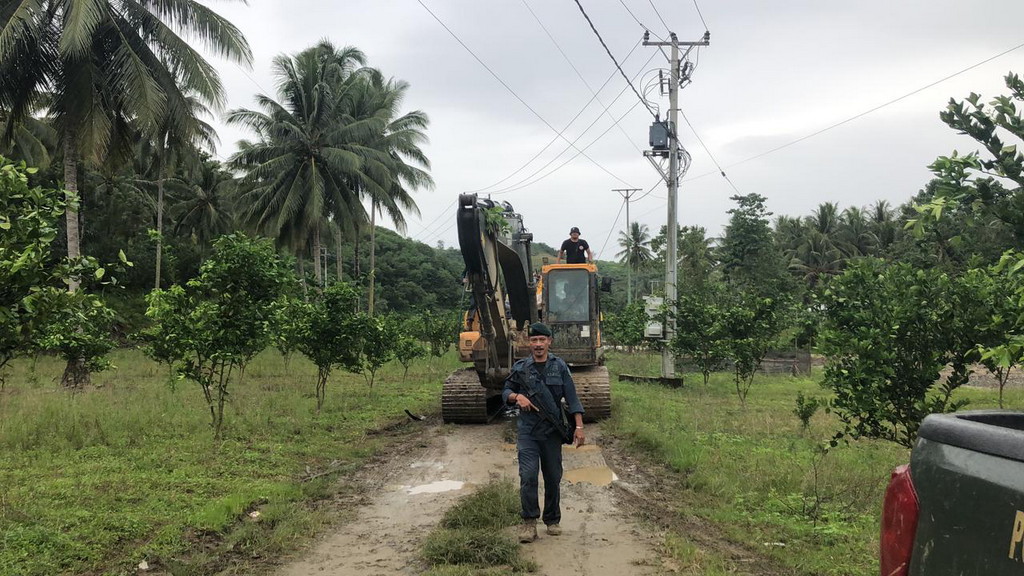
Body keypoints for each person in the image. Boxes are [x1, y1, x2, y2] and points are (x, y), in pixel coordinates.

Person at [502, 322, 585, 543]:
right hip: (528, 431)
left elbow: (573, 398)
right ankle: (529, 522)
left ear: (549, 342)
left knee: (552, 477)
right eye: (534, 340)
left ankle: (552, 519)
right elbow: (506, 390)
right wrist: (516, 397)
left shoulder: (559, 366)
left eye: (542, 340)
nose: (538, 344)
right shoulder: (521, 368)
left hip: (552, 432)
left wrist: (578, 427)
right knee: (528, 476)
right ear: (529, 342)